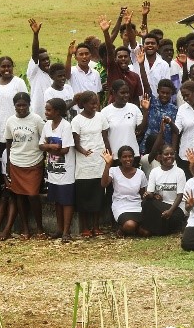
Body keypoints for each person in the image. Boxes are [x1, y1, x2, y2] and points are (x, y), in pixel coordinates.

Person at [0, 91, 46, 239]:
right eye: (18, 105)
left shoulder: (37, 120)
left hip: (34, 162)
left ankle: (40, 228)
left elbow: (44, 140)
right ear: (14, 106)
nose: (21, 108)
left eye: (24, 105)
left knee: (32, 195)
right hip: (16, 162)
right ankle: (26, 228)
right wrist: (7, 165)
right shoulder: (10, 121)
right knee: (19, 196)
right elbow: (8, 141)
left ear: (29, 105)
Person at [40, 97, 78, 242]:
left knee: (67, 201)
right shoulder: (47, 126)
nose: (46, 112)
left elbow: (65, 150)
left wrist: (50, 147)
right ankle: (59, 229)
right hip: (52, 170)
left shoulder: (66, 126)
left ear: (57, 112)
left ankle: (67, 232)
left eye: (49, 110)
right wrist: (51, 146)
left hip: (65, 171)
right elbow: (41, 145)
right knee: (57, 201)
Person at [71, 91, 109, 238]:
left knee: (98, 195)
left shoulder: (101, 117)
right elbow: (75, 142)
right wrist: (83, 151)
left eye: (96, 103)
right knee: (84, 196)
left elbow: (105, 136)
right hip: (84, 163)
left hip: (99, 161)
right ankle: (85, 227)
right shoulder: (77, 120)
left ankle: (96, 226)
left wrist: (108, 155)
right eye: (92, 103)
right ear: (84, 104)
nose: (95, 106)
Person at [142, 145, 188, 237]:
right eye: (166, 154)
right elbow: (150, 193)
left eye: (172, 154)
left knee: (167, 218)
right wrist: (148, 195)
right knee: (146, 203)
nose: (169, 156)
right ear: (160, 157)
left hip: (176, 209)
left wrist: (170, 211)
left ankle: (155, 229)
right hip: (160, 208)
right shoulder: (154, 172)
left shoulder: (179, 172)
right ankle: (160, 229)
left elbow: (180, 195)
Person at [102, 147, 147, 237]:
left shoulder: (140, 173)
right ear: (120, 158)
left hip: (137, 206)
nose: (128, 159)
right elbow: (104, 184)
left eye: (130, 156)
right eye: (124, 157)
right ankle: (123, 229)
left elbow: (142, 194)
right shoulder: (114, 170)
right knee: (129, 225)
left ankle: (136, 228)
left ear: (133, 158)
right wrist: (107, 165)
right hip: (121, 206)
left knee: (146, 232)